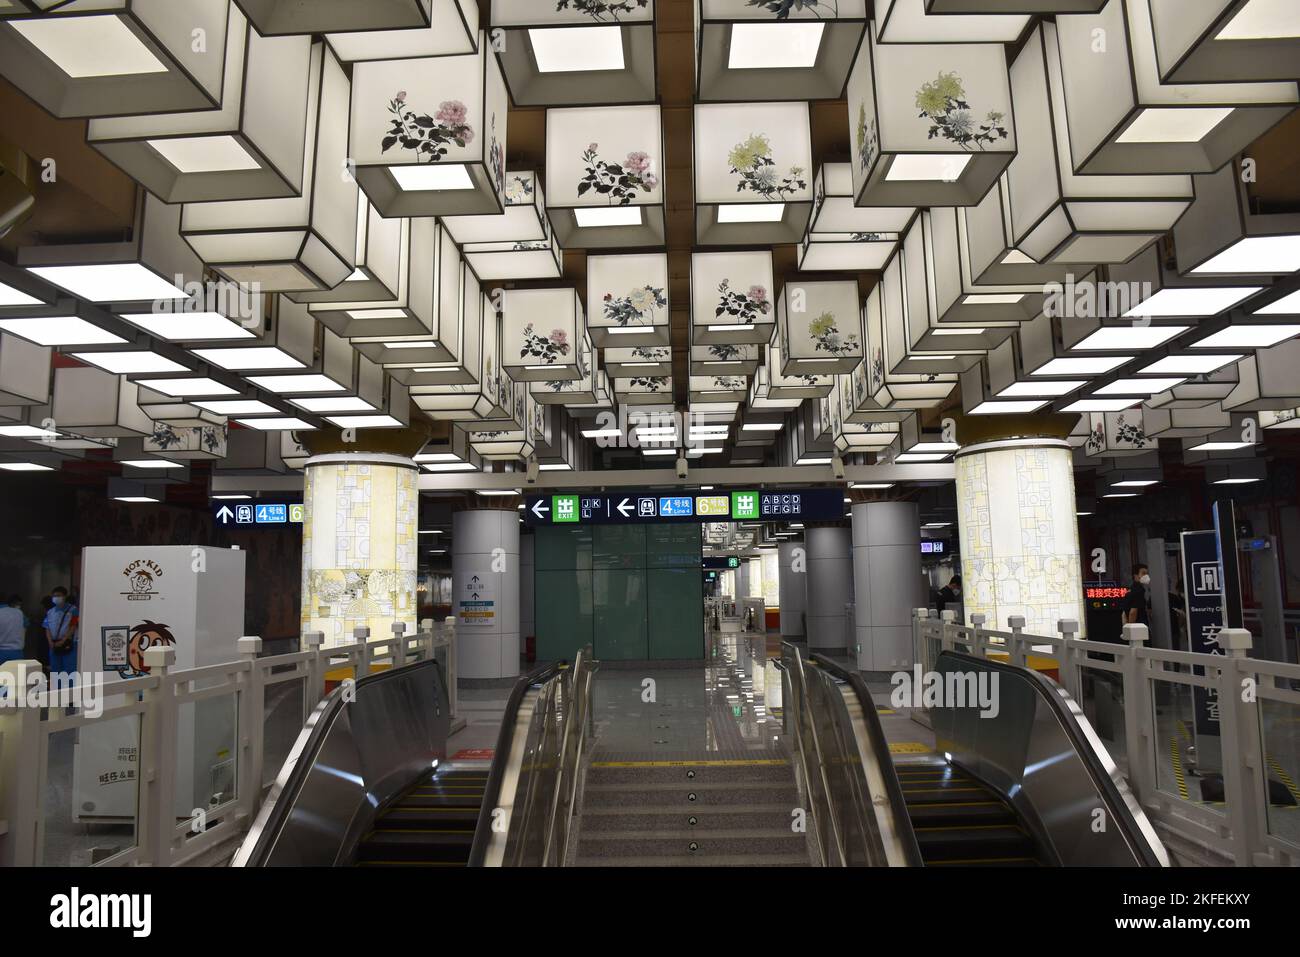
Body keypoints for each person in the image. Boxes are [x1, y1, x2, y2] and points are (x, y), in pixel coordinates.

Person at [43, 586, 79, 688]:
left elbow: (73, 626)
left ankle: (71, 697)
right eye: (54, 596)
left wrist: (64, 640)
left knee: (70, 671)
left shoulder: (73, 610)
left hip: (68, 643)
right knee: (55, 671)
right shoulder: (50, 612)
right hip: (54, 644)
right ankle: (56, 695)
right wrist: (50, 642)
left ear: (64, 596)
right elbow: (47, 628)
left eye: (58, 595)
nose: (56, 598)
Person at [1122, 564, 1152, 628]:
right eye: (1143, 573)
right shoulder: (1139, 590)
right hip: (1139, 627)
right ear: (1135, 575)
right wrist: (1131, 629)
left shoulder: (1130, 589)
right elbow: (1133, 612)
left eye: (1147, 573)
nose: (1146, 576)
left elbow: (1124, 613)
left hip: (1131, 626)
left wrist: (1126, 627)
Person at [0, 594, 24, 665]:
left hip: (1, 651)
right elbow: (25, 626)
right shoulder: (19, 613)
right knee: (16, 675)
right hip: (17, 651)